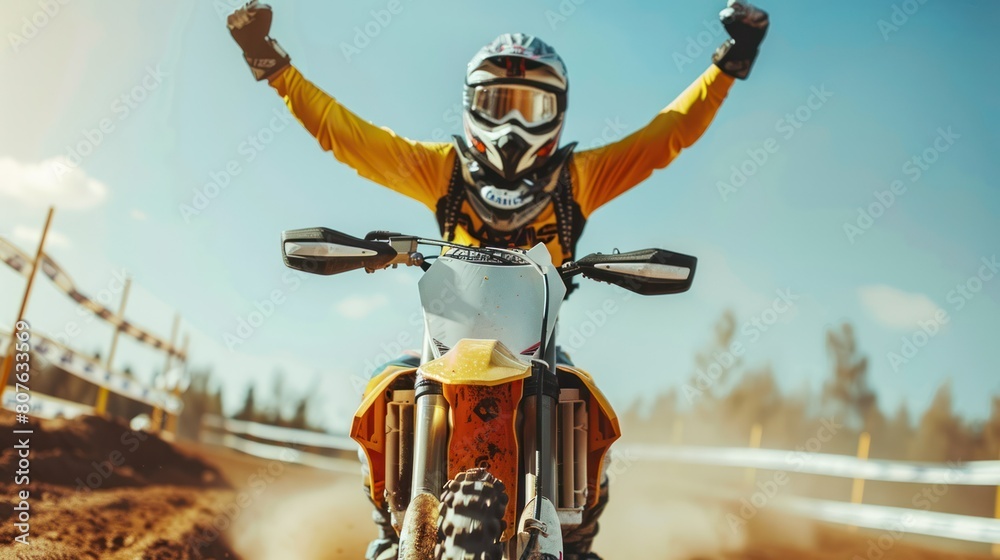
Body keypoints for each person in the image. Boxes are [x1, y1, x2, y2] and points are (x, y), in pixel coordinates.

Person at [227, 2, 768, 558]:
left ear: (556, 113)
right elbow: (349, 136)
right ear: (470, 106)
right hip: (445, 347)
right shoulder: (441, 169)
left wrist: (729, 63)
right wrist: (272, 65)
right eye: (496, 104)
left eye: (531, 107)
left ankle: (576, 539)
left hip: (537, 349)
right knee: (385, 384)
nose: (512, 125)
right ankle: (392, 530)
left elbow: (666, 136)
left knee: (582, 402)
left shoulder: (578, 180)